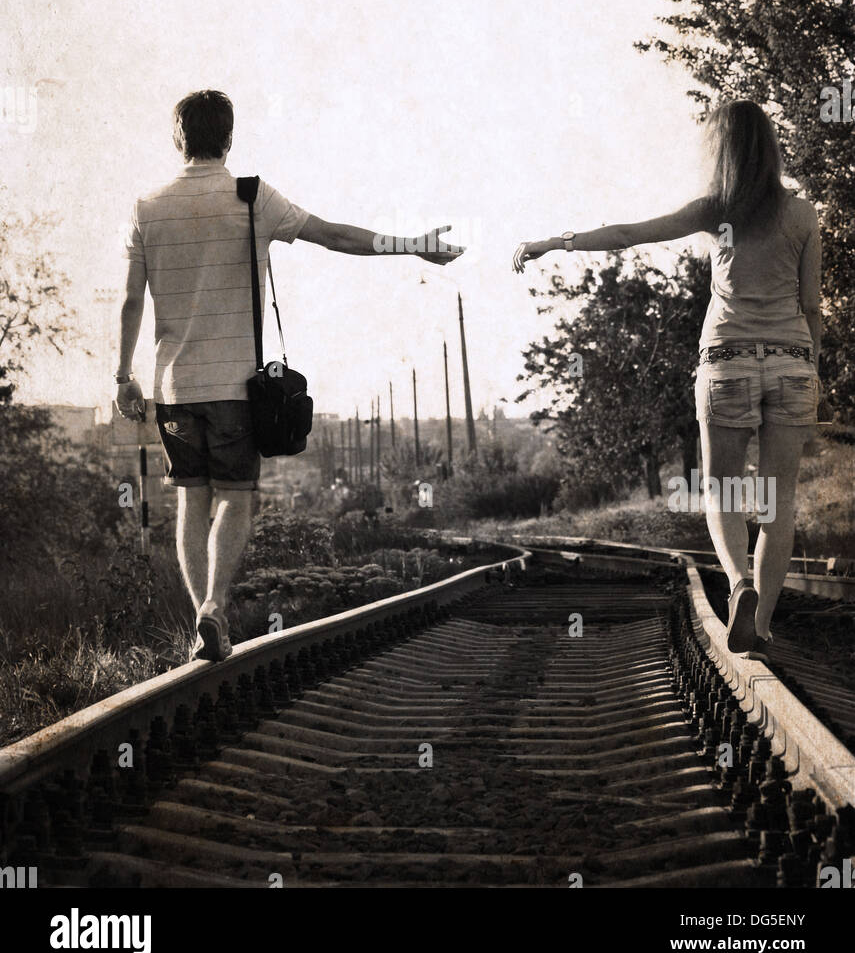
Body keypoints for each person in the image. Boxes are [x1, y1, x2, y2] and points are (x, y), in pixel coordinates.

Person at [116, 89, 463, 662]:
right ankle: (215, 606)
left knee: (191, 500)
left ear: (178, 139)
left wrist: (121, 375)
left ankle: (201, 619)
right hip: (234, 388)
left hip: (173, 389)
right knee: (235, 496)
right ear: (229, 138)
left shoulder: (145, 207)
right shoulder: (253, 198)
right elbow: (336, 236)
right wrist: (412, 245)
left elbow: (132, 300)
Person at [512, 100, 821, 663]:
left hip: (727, 359)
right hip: (791, 362)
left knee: (722, 490)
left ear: (722, 151)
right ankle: (761, 630)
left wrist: (555, 242)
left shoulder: (714, 210)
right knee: (778, 505)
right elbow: (813, 305)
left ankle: (739, 584)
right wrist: (811, 371)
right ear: (771, 148)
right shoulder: (802, 214)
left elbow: (628, 234)